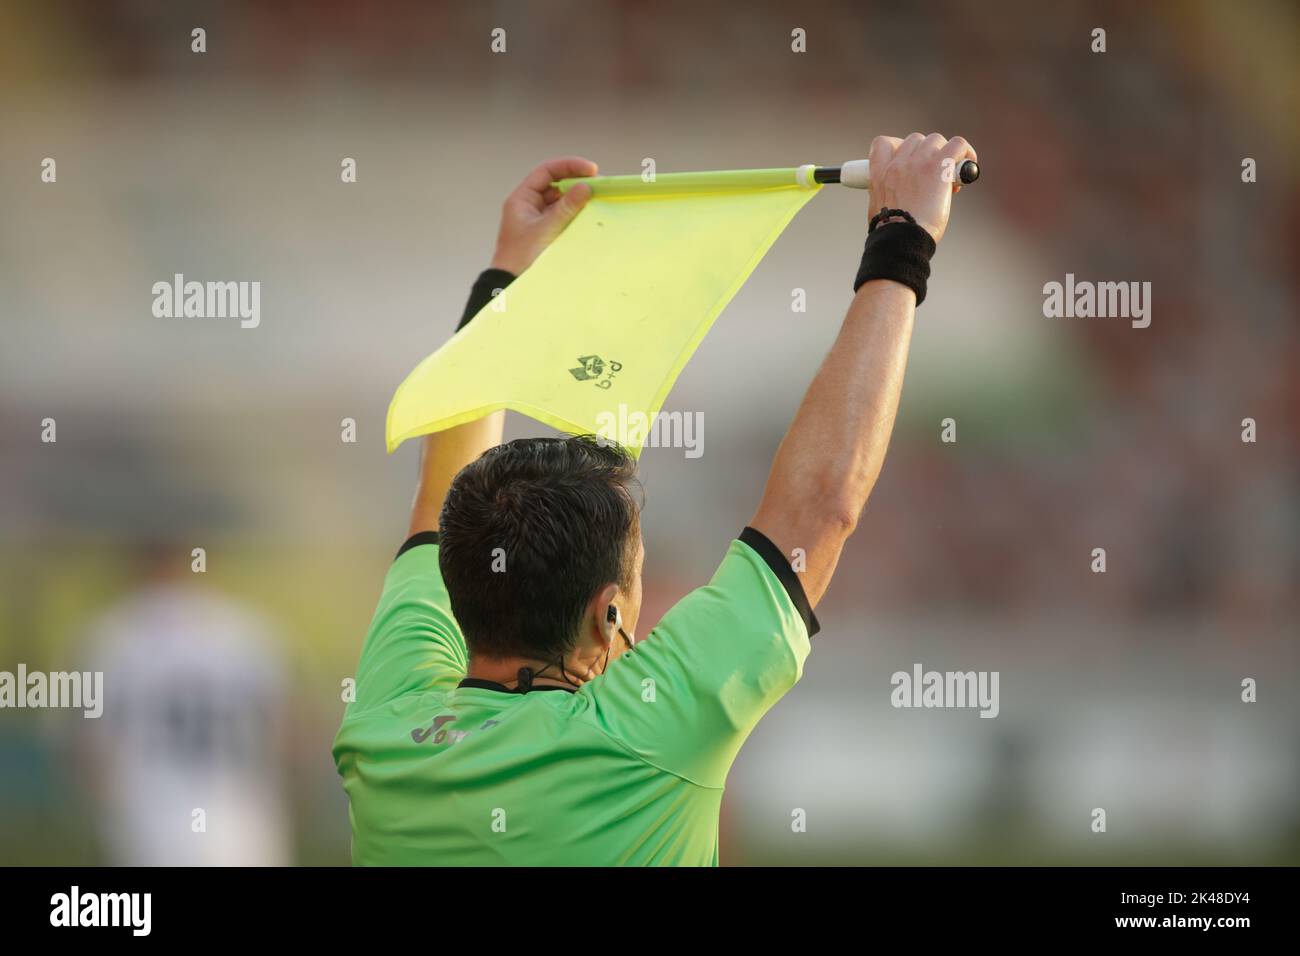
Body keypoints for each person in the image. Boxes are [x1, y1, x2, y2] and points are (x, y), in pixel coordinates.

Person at [333, 133, 977, 865]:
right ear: (608, 613)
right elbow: (822, 504)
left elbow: (437, 491)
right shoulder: (643, 732)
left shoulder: (385, 723)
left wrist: (507, 279)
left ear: (455, 584)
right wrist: (905, 245)